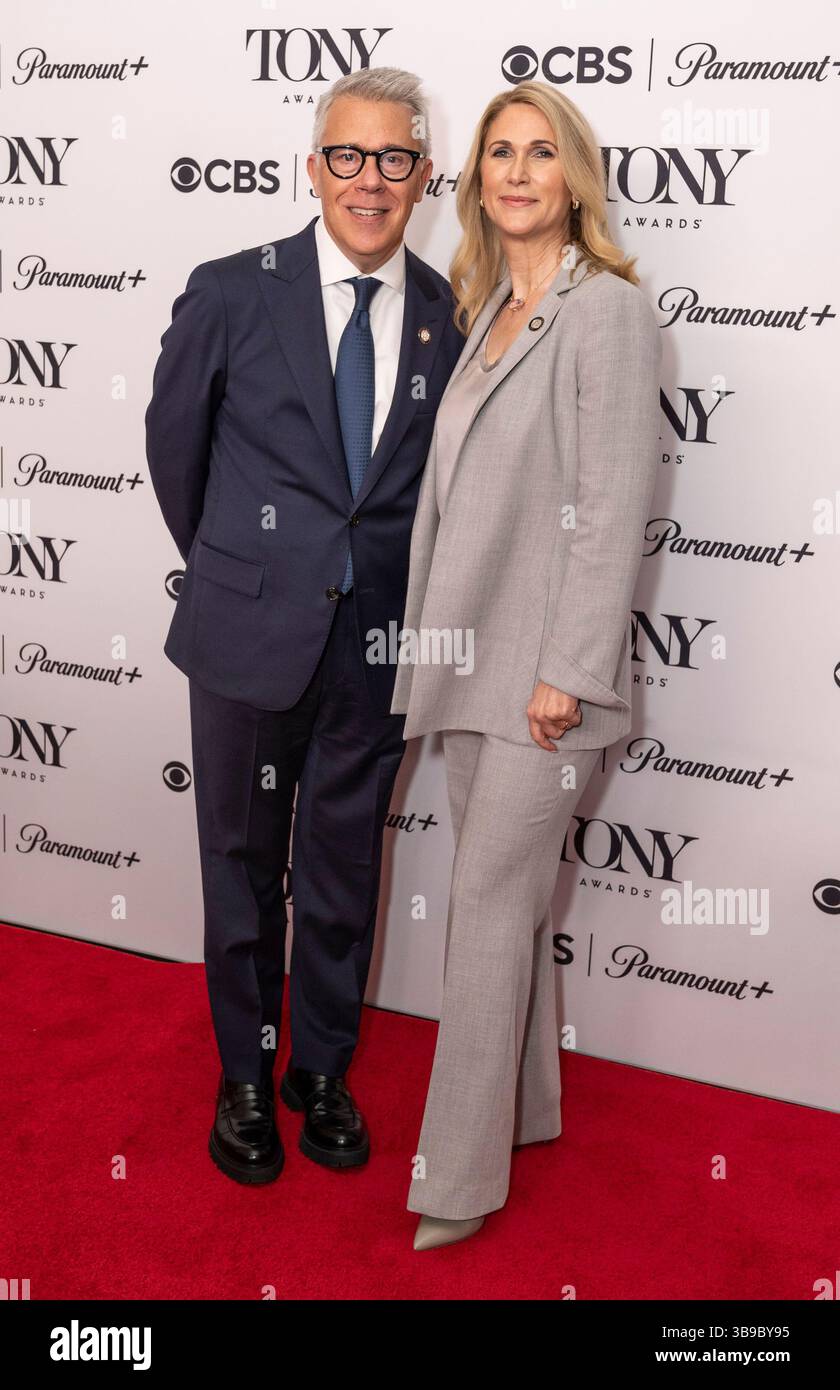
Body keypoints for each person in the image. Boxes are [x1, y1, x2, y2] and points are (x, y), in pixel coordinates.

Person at [145, 67, 464, 1185]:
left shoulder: (447, 312)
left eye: (392, 160)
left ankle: (317, 1067)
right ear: (311, 166)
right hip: (246, 637)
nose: (368, 181)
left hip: (378, 646)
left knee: (340, 871)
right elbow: (175, 459)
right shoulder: (233, 289)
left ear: (424, 175)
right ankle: (246, 1073)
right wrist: (248, 575)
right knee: (239, 866)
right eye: (347, 156)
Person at [390, 80, 662, 1249]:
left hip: (545, 681)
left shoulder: (605, 309)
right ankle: (530, 1112)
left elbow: (609, 508)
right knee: (503, 901)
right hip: (467, 658)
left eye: (538, 152)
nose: (514, 171)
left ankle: (452, 1180)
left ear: (573, 177)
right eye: (498, 152)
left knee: (489, 908)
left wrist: (570, 669)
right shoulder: (492, 299)